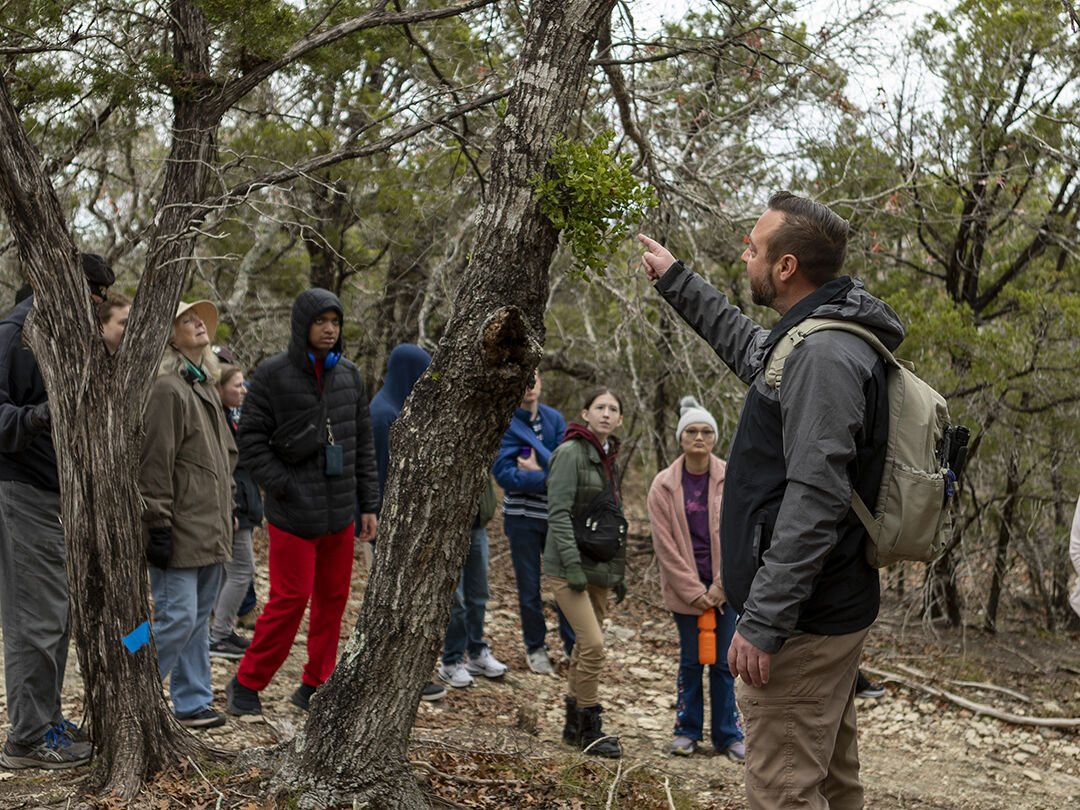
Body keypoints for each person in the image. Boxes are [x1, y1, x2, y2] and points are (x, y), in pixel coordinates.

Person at [640, 190, 900, 808]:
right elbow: (746, 347)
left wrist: (762, 621)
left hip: (801, 626)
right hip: (819, 613)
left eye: (754, 248)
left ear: (786, 267)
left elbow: (815, 500)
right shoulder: (809, 339)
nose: (745, 255)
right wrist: (676, 279)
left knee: (783, 793)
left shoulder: (824, 356)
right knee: (831, 786)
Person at [226, 288, 379, 715]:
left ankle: (316, 683)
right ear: (303, 325)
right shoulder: (273, 375)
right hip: (292, 514)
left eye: (335, 321)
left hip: (340, 514)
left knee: (333, 600)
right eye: (320, 321)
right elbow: (251, 443)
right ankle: (246, 684)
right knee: (289, 599)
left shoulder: (349, 375)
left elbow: (363, 445)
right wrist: (285, 486)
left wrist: (368, 505)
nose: (329, 329)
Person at [0, 253, 113, 769]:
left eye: (103, 293)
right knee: (35, 619)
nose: (98, 301)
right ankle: (27, 739)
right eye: (91, 289)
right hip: (21, 490)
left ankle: (45, 720)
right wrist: (46, 417)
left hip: (58, 495)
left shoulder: (69, 339)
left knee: (56, 616)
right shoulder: (14, 334)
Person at [139, 300, 236, 729]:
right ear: (169, 335)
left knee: (196, 619)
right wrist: (157, 522)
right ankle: (126, 678)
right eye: (186, 319)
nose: (198, 323)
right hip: (176, 529)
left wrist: (227, 511)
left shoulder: (203, 387)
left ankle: (192, 702)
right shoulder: (166, 388)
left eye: (200, 318)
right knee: (175, 617)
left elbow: (224, 459)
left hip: (209, 529)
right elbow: (155, 463)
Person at [647, 396, 744, 761]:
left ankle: (728, 735)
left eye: (706, 431)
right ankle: (686, 731)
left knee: (723, 662)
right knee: (691, 659)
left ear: (715, 437)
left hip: (725, 588)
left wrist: (721, 586)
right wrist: (694, 591)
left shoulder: (731, 477)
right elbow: (665, 544)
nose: (699, 437)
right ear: (681, 437)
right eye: (692, 431)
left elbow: (739, 534)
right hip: (685, 591)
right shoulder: (664, 485)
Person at [544, 386, 627, 759]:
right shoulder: (569, 453)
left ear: (620, 419)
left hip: (597, 567)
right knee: (593, 645)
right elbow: (558, 513)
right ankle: (590, 726)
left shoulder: (608, 456)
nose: (606, 413)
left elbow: (611, 520)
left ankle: (572, 728)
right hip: (568, 567)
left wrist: (617, 574)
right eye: (600, 407)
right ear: (586, 413)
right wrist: (573, 566)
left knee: (583, 647)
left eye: (613, 409)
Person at [367, 342, 447, 701]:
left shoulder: (400, 410)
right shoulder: (384, 414)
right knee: (384, 603)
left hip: (399, 523)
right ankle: (379, 675)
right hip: (384, 524)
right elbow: (380, 473)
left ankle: (394, 674)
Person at [493, 371, 573, 675]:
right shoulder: (507, 421)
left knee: (565, 583)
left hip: (555, 517)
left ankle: (572, 646)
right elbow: (504, 475)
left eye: (535, 377)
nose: (530, 384)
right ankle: (535, 647)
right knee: (529, 587)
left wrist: (537, 470)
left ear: (541, 383)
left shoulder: (554, 420)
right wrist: (548, 477)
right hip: (521, 518)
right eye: (524, 377)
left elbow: (565, 466)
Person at [208, 364, 263, 659]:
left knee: (228, 570)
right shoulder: (219, 421)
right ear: (220, 388)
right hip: (234, 504)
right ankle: (219, 635)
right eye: (237, 386)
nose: (243, 391)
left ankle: (221, 631)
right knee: (243, 570)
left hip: (242, 501)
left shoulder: (237, 417)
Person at [437, 473, 508, 688]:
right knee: (455, 599)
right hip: (446, 526)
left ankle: (476, 653)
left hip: (476, 524)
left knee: (479, 594)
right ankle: (451, 661)